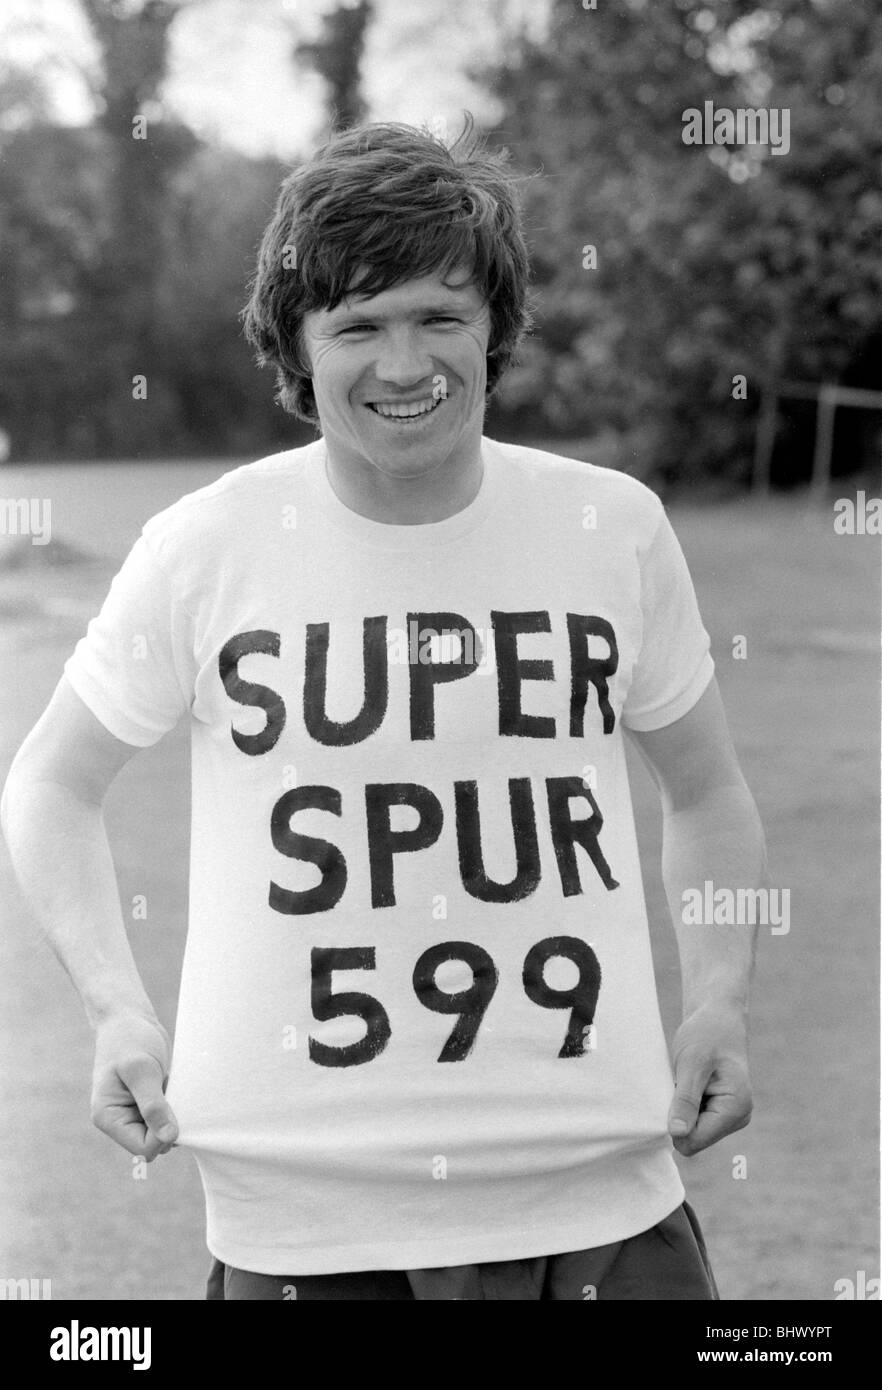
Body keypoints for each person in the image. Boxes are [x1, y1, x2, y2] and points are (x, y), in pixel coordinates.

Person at [1, 119, 766, 1301]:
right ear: (298, 348)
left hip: (602, 1198)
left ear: (495, 328)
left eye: (438, 317)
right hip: (301, 1224)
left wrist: (718, 993)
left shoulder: (610, 526)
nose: (404, 364)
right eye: (357, 325)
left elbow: (707, 786)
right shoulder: (208, 546)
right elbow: (50, 782)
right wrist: (116, 1008)